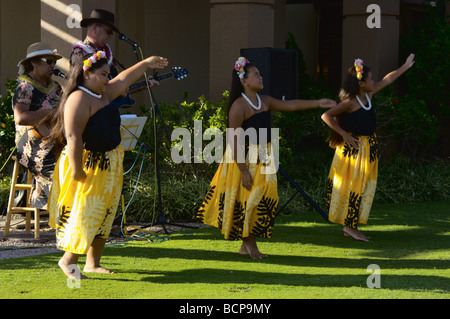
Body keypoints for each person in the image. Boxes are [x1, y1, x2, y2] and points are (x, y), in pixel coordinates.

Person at [44, 50, 168, 279]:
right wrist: (78, 171)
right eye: (102, 74)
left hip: (110, 162)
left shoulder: (101, 93)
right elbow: (73, 137)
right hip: (89, 164)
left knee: (105, 214)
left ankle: (93, 263)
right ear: (86, 73)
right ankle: (68, 261)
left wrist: (146, 63)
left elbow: (123, 80)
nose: (107, 79)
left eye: (107, 74)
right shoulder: (78, 98)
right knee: (86, 212)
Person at [196, 57, 336, 259]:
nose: (261, 77)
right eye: (256, 74)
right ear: (244, 80)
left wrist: (317, 103)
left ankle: (246, 246)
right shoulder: (239, 106)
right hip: (244, 158)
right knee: (250, 201)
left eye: (260, 74)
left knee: (265, 198)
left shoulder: (266, 101)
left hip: (265, 155)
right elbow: (233, 140)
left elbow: (291, 105)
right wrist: (243, 170)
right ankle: (250, 245)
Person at [321, 54, 415, 242]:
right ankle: (350, 227)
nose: (374, 81)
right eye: (371, 79)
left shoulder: (368, 96)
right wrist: (344, 135)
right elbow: (326, 116)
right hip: (354, 150)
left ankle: (351, 226)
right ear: (361, 83)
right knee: (354, 188)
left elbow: (387, 80)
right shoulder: (350, 103)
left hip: (368, 148)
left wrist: (405, 66)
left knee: (364, 187)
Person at [12, 42, 63, 210]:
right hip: (30, 142)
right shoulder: (25, 86)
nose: (53, 65)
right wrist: (51, 112)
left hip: (54, 138)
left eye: (54, 62)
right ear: (33, 63)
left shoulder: (55, 87)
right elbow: (20, 118)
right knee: (56, 165)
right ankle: (60, 211)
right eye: (48, 61)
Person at [71, 9, 158, 102]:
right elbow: (83, 89)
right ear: (94, 28)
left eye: (112, 32)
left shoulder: (108, 57)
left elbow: (118, 87)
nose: (111, 35)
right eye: (108, 31)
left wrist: (143, 86)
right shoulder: (80, 53)